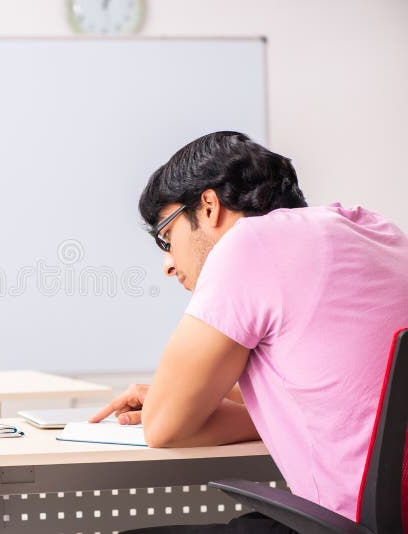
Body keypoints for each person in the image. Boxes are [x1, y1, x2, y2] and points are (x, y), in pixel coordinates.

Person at [90, 131, 408, 533]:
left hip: (342, 523)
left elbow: (163, 426)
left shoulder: (248, 243)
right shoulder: (376, 230)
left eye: (166, 237)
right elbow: (340, 401)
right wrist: (208, 397)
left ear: (208, 207)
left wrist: (172, 402)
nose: (168, 264)